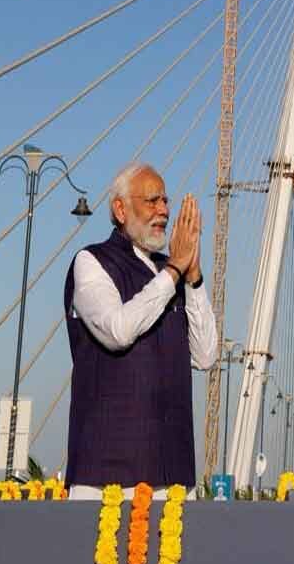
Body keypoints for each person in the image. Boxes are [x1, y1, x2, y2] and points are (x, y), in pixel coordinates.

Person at [63, 162, 217, 498]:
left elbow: (206, 356)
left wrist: (192, 276)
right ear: (120, 209)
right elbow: (117, 331)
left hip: (173, 473)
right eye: (152, 201)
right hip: (106, 474)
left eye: (165, 201)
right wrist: (175, 268)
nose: (163, 210)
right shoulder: (92, 262)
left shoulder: (172, 274)